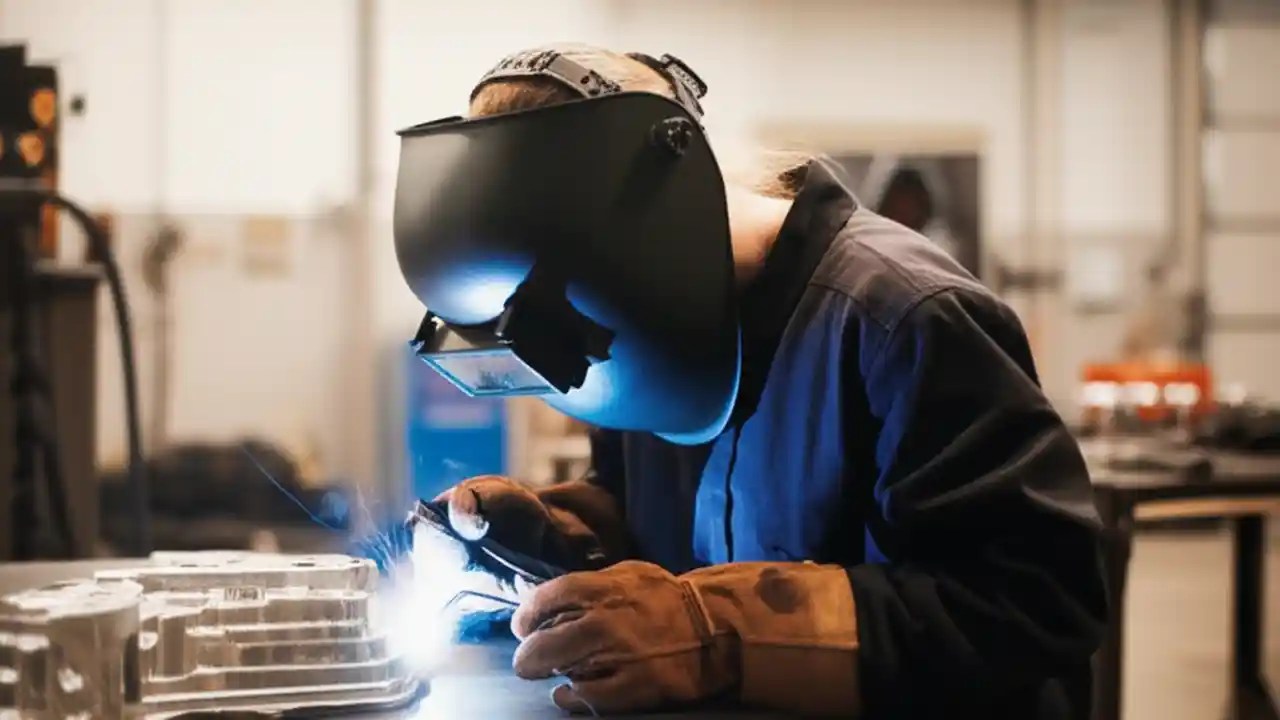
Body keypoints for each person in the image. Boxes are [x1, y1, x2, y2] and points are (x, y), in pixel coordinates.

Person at [396, 43, 1107, 719]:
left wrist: (720, 628)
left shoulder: (903, 320)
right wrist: (553, 542)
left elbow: (1036, 605)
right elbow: (655, 518)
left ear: (652, 230)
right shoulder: (634, 326)